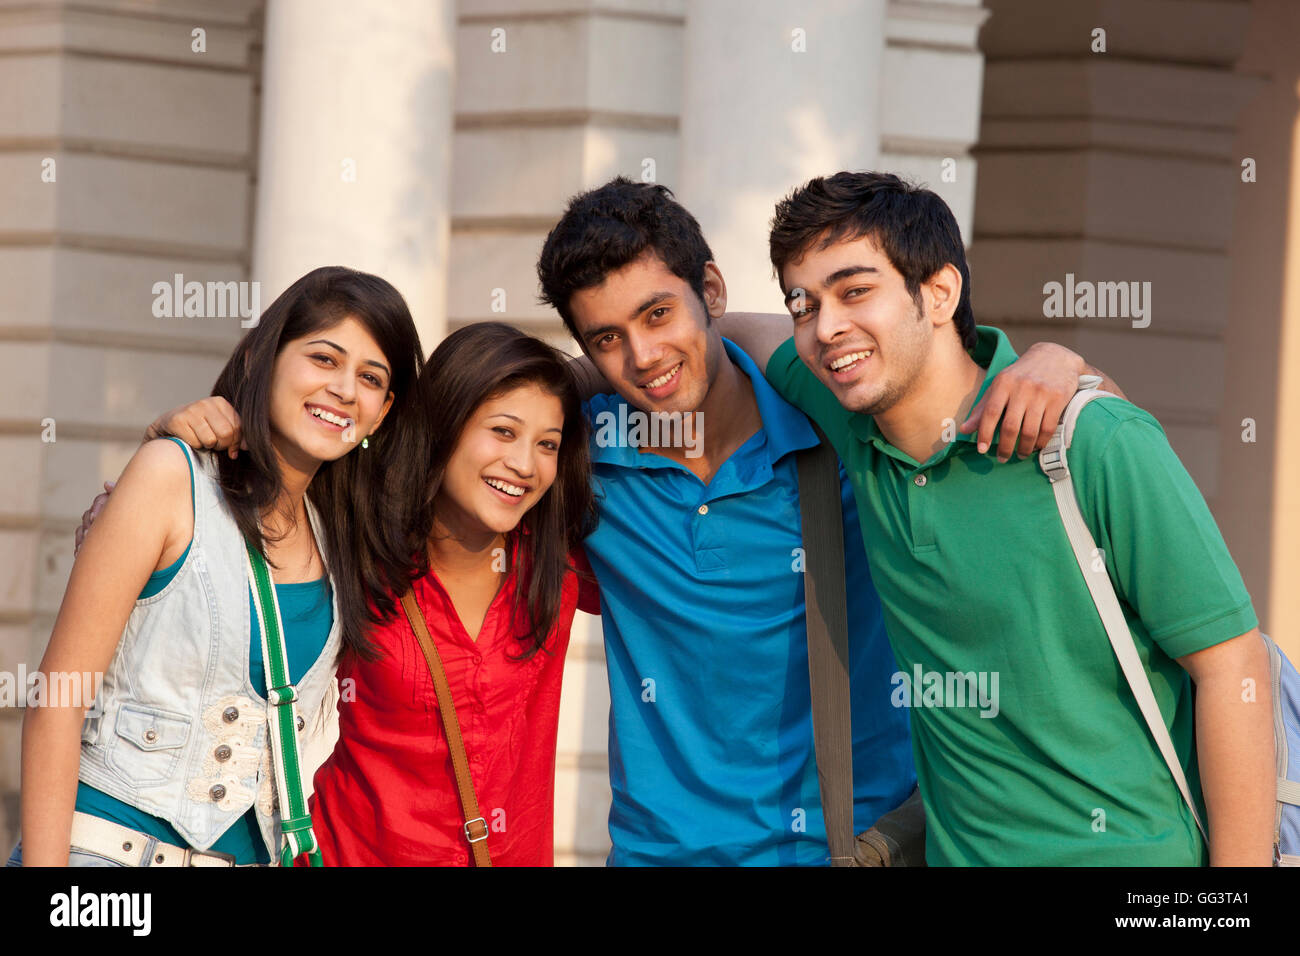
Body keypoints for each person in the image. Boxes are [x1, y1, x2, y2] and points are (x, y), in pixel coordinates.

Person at [535, 176, 1125, 864]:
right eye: (607, 338)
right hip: (656, 854)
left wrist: (1062, 363)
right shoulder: (576, 460)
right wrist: (556, 382)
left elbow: (1073, 421)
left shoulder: (846, 429)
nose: (642, 356)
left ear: (713, 294)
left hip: (851, 848)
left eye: (659, 314)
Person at [723, 170, 1275, 865]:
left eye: (855, 291)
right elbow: (723, 330)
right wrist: (569, 379)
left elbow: (1232, 665)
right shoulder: (850, 411)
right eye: (805, 304)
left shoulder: (1092, 441)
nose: (826, 326)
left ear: (940, 292)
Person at [93, 323, 600, 865]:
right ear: (445, 427)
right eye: (502, 431)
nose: (524, 464)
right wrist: (168, 439)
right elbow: (186, 540)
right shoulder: (355, 545)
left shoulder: (560, 564)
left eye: (548, 444)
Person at [12, 265, 424, 867]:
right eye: (324, 359)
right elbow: (57, 702)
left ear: (383, 412)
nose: (343, 390)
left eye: (370, 378)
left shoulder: (346, 542)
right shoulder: (170, 476)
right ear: (263, 358)